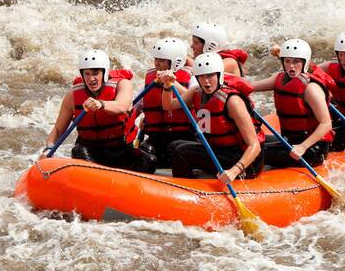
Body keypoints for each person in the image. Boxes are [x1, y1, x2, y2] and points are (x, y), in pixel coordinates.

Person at [44, 50, 156, 172]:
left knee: (149, 161)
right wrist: (49, 148)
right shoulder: (72, 96)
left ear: (105, 72)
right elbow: (58, 129)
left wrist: (101, 104)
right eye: (87, 74)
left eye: (96, 73)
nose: (91, 79)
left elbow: (122, 106)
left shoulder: (122, 85)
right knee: (78, 150)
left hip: (120, 150)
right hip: (90, 152)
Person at [159, 51, 263, 182]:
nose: (206, 81)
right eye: (201, 76)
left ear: (219, 75)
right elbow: (168, 105)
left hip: (245, 161)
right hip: (220, 151)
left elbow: (254, 145)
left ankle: (185, 188)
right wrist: (167, 85)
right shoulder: (197, 92)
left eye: (210, 75)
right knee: (174, 146)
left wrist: (234, 171)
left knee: (182, 152)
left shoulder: (232, 101)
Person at [247, 38, 334, 168]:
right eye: (287, 61)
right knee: (249, 142)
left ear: (305, 62)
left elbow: (326, 124)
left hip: (312, 149)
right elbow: (249, 86)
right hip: (289, 141)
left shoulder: (311, 89)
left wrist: (303, 147)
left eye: (296, 62)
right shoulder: (280, 78)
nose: (291, 66)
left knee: (254, 151)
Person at [139, 37, 193, 168]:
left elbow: (194, 98)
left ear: (175, 62)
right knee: (145, 151)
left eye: (161, 60)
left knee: (179, 151)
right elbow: (138, 104)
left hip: (184, 135)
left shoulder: (192, 77)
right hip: (157, 136)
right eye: (156, 59)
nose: (157, 64)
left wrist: (172, 82)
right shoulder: (152, 78)